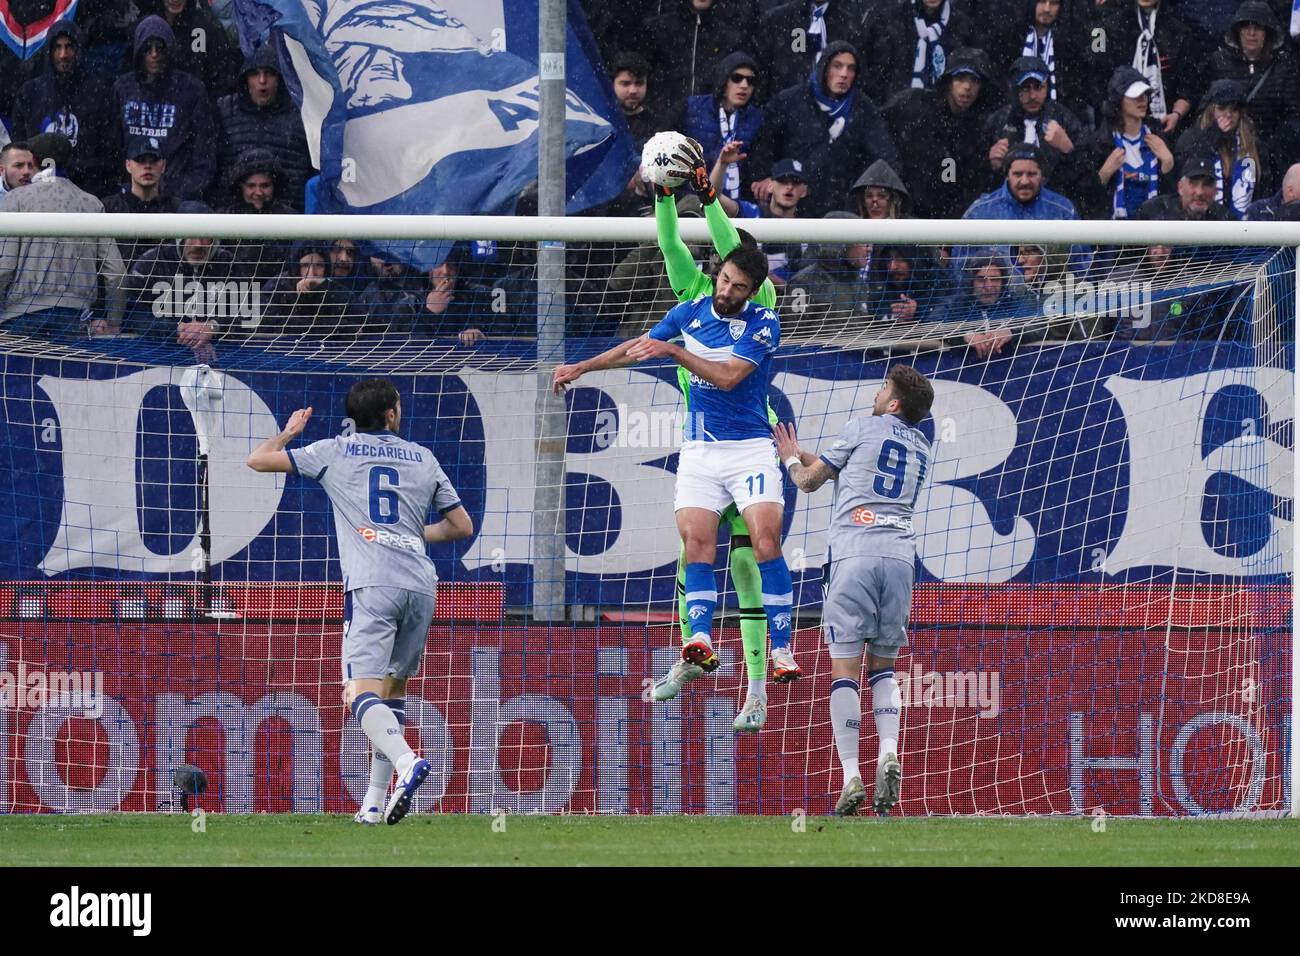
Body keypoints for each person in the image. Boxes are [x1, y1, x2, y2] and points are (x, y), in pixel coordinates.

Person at [552, 245, 799, 718]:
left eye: (738, 286)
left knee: (765, 545)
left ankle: (782, 650)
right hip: (701, 451)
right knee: (696, 543)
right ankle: (700, 641)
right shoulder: (690, 310)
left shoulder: (764, 323)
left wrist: (674, 351)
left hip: (749, 448)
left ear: (753, 291)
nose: (727, 290)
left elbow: (728, 377)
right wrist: (582, 368)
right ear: (717, 274)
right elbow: (635, 348)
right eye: (724, 280)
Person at [245, 379, 474, 825]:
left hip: (372, 585)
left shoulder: (335, 450)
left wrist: (290, 432)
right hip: (422, 586)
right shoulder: (424, 458)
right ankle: (372, 803)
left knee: (358, 691)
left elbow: (256, 460)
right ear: (391, 414)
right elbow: (461, 526)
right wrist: (406, 536)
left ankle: (408, 763)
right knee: (393, 691)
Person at [642, 144, 790, 732]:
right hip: (705, 449)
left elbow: (736, 250)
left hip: (749, 445)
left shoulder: (764, 301)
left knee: (749, 564)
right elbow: (671, 245)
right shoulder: (689, 300)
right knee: (691, 554)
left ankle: (756, 689)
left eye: (733, 276)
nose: (721, 280)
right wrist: (663, 195)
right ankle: (693, 654)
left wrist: (706, 192)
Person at [773, 364, 935, 815]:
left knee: (845, 670)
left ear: (895, 403)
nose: (878, 393)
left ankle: (850, 775)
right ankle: (888, 750)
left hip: (854, 555)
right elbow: (846, 470)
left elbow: (808, 483)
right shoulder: (922, 446)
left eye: (884, 388)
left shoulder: (861, 426)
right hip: (900, 559)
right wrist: (807, 453)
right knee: (883, 667)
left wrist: (790, 458)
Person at [749, 41, 899, 217]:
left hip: (841, 209)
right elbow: (762, 146)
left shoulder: (863, 108)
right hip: (792, 208)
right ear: (823, 68)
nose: (844, 74)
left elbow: (887, 156)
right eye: (837, 66)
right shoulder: (789, 101)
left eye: (850, 68)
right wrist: (766, 176)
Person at [0, 133, 125, 338]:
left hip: (20, 317)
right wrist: (114, 321)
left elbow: (4, 267)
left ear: (34, 161)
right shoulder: (92, 203)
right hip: (74, 316)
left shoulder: (16, 198)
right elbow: (116, 272)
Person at [110, 16, 216, 201]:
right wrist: (127, 189)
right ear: (138, 51)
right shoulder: (122, 89)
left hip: (179, 197)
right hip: (130, 193)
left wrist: (180, 192)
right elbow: (111, 148)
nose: (154, 54)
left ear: (170, 50)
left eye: (160, 48)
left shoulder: (192, 90)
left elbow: (204, 156)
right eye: (147, 48)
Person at [883, 46, 993, 219]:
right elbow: (879, 129)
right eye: (960, 78)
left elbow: (969, 185)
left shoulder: (979, 130)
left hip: (946, 220)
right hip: (902, 210)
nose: (967, 87)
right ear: (948, 81)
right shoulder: (913, 104)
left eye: (974, 80)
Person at [10, 20, 114, 196]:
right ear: (49, 52)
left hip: (87, 191)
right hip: (37, 191)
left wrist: (75, 171)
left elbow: (109, 152)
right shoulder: (30, 92)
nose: (63, 55)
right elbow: (18, 148)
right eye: (57, 47)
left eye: (69, 47)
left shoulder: (100, 94)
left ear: (78, 50)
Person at [216, 44, 315, 211]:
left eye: (269, 73)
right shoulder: (224, 111)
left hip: (290, 223)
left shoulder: (302, 115)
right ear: (245, 78)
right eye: (255, 74)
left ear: (280, 78)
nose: (262, 81)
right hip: (232, 221)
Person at [983, 55, 1090, 205]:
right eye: (1025, 88)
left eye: (1038, 87)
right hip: (1007, 209)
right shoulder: (998, 121)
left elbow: (1088, 179)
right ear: (1014, 89)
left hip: (1054, 206)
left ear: (1048, 87)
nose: (1032, 96)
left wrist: (1069, 150)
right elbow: (975, 180)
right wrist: (992, 165)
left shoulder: (1065, 119)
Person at [1098, 0, 1199, 136]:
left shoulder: (1181, 28)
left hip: (1166, 126)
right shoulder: (1105, 26)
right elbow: (1095, 70)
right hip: (1117, 124)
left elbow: (1189, 82)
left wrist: (1176, 114)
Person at [1086, 66, 1175, 220]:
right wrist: (1104, 173)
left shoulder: (1159, 137)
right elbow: (1088, 198)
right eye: (1135, 96)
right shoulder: (1101, 142)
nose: (1143, 100)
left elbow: (1176, 196)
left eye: (1145, 94)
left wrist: (1168, 163)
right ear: (1119, 101)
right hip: (1114, 235)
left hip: (1154, 234)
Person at [1175, 80, 1266, 219]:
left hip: (1244, 230)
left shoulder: (1253, 145)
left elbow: (1265, 188)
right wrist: (1214, 135)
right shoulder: (1191, 138)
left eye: (1234, 109)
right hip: (1202, 225)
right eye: (1222, 107)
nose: (1228, 114)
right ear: (1211, 109)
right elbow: (1185, 173)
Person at [681, 52, 763, 205]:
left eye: (750, 81)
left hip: (735, 205)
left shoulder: (756, 118)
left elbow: (759, 164)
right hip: (691, 200)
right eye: (737, 78)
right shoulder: (690, 109)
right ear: (723, 80)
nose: (744, 85)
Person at [758, 0, 871, 98]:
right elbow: (762, 72)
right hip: (786, 109)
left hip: (834, 110)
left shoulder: (850, 25)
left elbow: (859, 75)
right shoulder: (777, 20)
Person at [866, 0, 977, 98]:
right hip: (898, 107)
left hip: (943, 110)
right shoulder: (891, 19)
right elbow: (878, 72)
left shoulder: (961, 25)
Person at [1136, 153, 1234, 220]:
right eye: (1193, 184)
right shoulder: (1154, 212)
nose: (1200, 192)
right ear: (1180, 187)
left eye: (1207, 184)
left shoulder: (1225, 219)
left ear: (1216, 190)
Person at [609, 51, 661, 149]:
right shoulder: (602, 121)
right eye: (625, 83)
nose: (633, 90)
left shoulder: (658, 125)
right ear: (612, 84)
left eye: (639, 83)